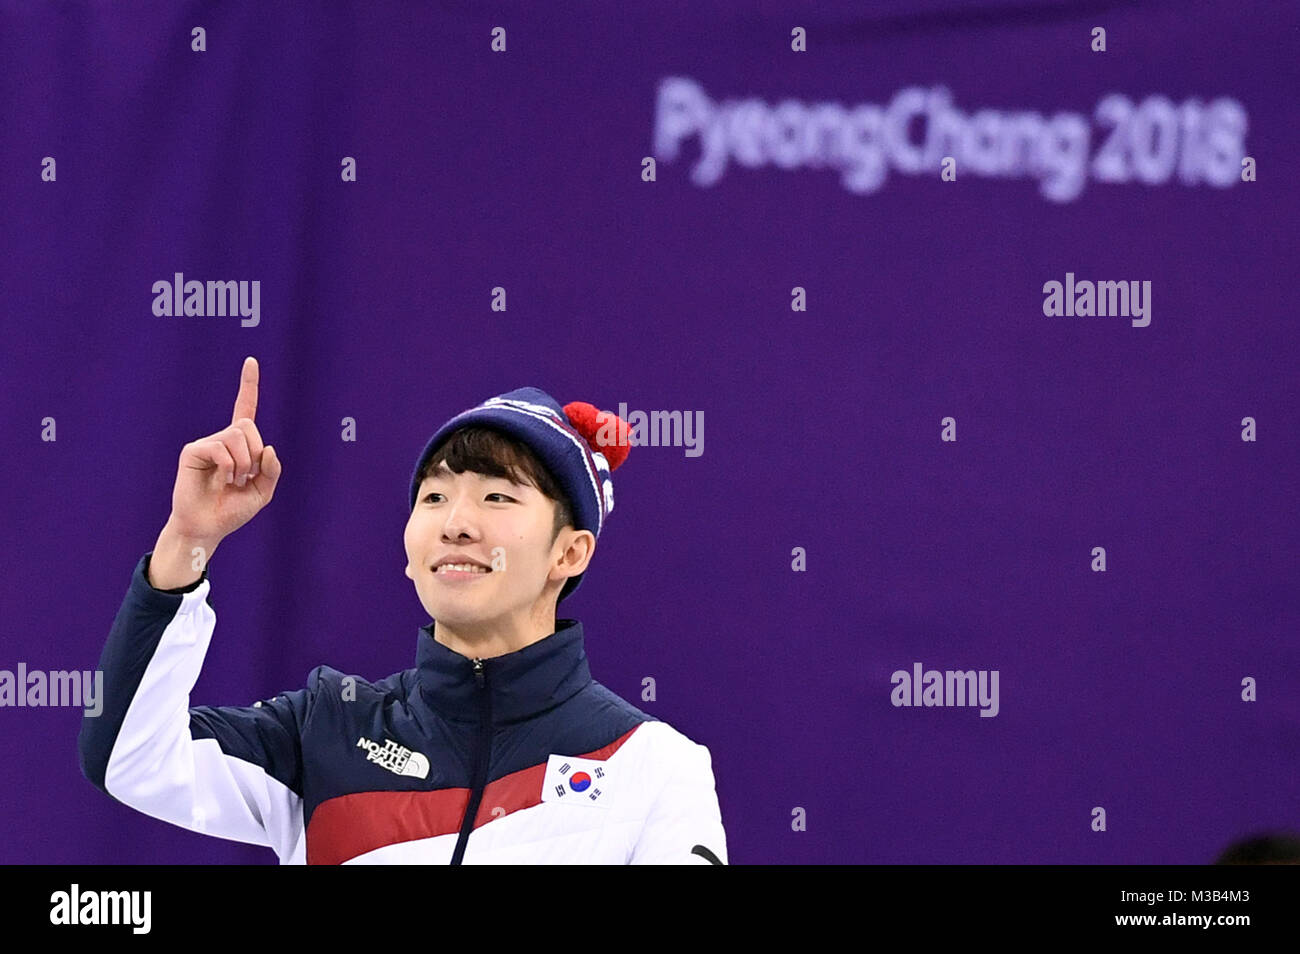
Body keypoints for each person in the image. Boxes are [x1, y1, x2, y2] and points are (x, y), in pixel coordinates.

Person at [78, 356, 728, 864]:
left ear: (570, 553)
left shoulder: (653, 766)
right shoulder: (325, 728)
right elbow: (129, 759)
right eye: (435, 497)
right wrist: (189, 542)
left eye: (498, 498)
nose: (456, 524)